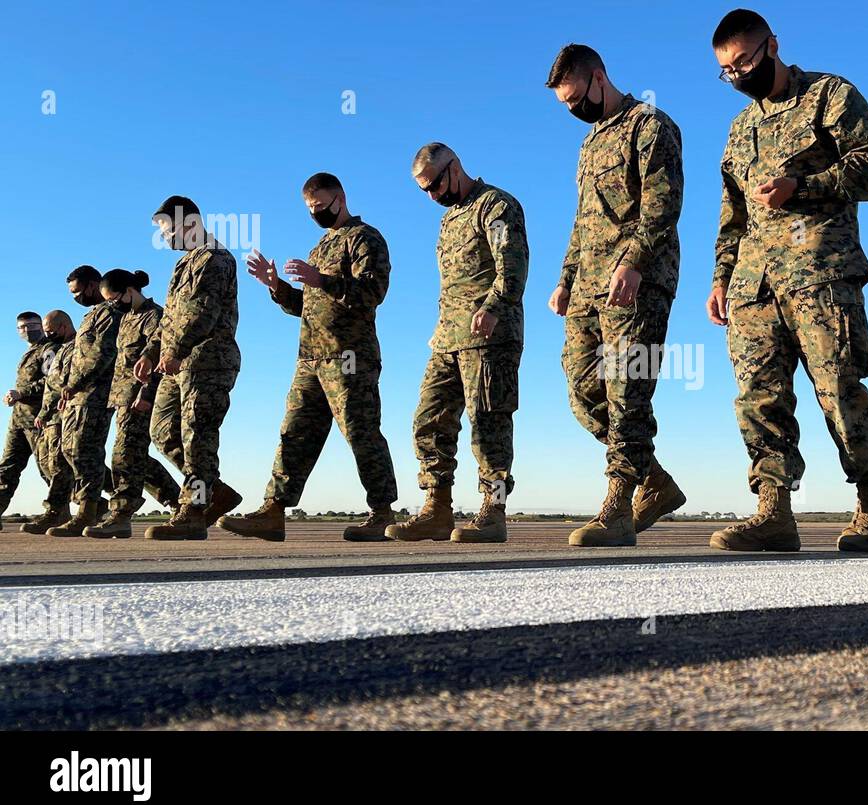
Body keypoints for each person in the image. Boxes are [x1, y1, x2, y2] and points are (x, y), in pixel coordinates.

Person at [706, 9, 868, 553]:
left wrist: (804, 186)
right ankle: (774, 511)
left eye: (745, 60)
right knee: (757, 397)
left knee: (838, 387)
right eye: (728, 70)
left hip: (821, 273)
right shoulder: (740, 127)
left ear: (772, 45)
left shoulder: (829, 96)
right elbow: (732, 214)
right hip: (752, 286)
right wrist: (721, 278)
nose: (739, 74)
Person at [545, 43, 687, 547]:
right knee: (584, 393)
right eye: (564, 104)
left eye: (576, 97)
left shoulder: (650, 126)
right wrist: (565, 277)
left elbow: (663, 204)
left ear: (600, 78)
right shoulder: (589, 144)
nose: (572, 109)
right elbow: (582, 221)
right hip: (587, 285)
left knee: (627, 390)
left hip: (638, 281)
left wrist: (633, 261)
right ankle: (656, 483)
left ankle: (618, 507)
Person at [222, 173, 398, 543]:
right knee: (295, 431)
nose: (316, 213)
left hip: (349, 356)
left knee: (360, 431)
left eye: (320, 206)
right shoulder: (320, 247)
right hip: (310, 359)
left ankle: (382, 513)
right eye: (310, 209)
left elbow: (372, 292)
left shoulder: (364, 238)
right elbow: (308, 308)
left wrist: (322, 280)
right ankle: (272, 512)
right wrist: (278, 287)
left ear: (340, 198)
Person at [386, 143, 528, 543]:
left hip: (490, 337)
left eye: (435, 185)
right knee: (428, 420)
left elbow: (512, 266)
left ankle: (493, 511)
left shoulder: (495, 206)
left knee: (489, 423)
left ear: (456, 166)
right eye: (424, 191)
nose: (432, 196)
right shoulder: (449, 221)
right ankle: (437, 509)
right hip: (447, 338)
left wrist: (494, 307)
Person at [138, 196, 243, 540]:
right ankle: (215, 491)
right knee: (163, 431)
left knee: (198, 436)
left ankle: (195, 510)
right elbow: (170, 318)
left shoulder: (214, 259)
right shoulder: (185, 264)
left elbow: (204, 312)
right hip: (176, 364)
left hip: (207, 361)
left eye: (165, 227)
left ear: (187, 222)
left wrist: (178, 350)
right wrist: (152, 352)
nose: (164, 235)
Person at [84, 269, 182, 539]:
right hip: (123, 397)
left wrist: (146, 395)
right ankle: (178, 501)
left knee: (124, 455)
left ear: (129, 291)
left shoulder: (154, 316)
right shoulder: (127, 319)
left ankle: (121, 515)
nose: (112, 304)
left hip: (140, 397)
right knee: (136, 457)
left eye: (114, 298)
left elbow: (158, 357)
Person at [46, 266, 121, 537]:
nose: (75, 297)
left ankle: (88, 512)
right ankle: (99, 503)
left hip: (97, 392)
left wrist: (73, 384)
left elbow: (102, 355)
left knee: (85, 450)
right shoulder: (93, 315)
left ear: (92, 285)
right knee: (70, 450)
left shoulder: (111, 313)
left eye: (78, 291)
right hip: (79, 393)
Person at [0, 312, 60, 529]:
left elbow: (52, 380)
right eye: (21, 328)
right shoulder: (29, 352)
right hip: (19, 419)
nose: (26, 330)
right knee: (7, 467)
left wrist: (21, 392)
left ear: (41, 326)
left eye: (31, 325)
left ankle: (63, 510)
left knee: (49, 467)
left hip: (40, 418)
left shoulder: (49, 349)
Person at [20, 311, 77, 534]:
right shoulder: (59, 349)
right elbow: (53, 384)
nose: (47, 334)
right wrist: (44, 413)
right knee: (51, 462)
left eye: (50, 329)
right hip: (50, 412)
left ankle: (59, 510)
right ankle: (74, 507)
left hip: (68, 411)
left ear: (62, 326)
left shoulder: (72, 347)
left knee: (64, 461)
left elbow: (63, 382)